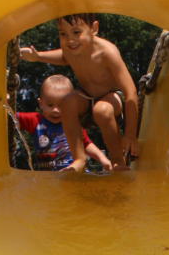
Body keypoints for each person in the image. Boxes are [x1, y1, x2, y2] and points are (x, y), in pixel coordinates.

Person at [20, 14, 138, 169]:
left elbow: (131, 93)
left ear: (94, 29)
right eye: (64, 34)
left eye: (76, 32)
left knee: (102, 110)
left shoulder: (107, 53)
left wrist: (130, 135)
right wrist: (38, 56)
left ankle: (117, 159)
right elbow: (64, 57)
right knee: (68, 103)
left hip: (113, 97)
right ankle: (79, 159)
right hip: (87, 96)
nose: (70, 40)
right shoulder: (71, 47)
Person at [15, 74, 111, 171]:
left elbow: (86, 144)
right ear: (41, 104)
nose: (56, 110)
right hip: (49, 177)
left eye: (61, 106)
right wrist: (5, 100)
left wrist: (103, 159)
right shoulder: (36, 120)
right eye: (50, 105)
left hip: (74, 172)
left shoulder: (74, 124)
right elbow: (11, 116)